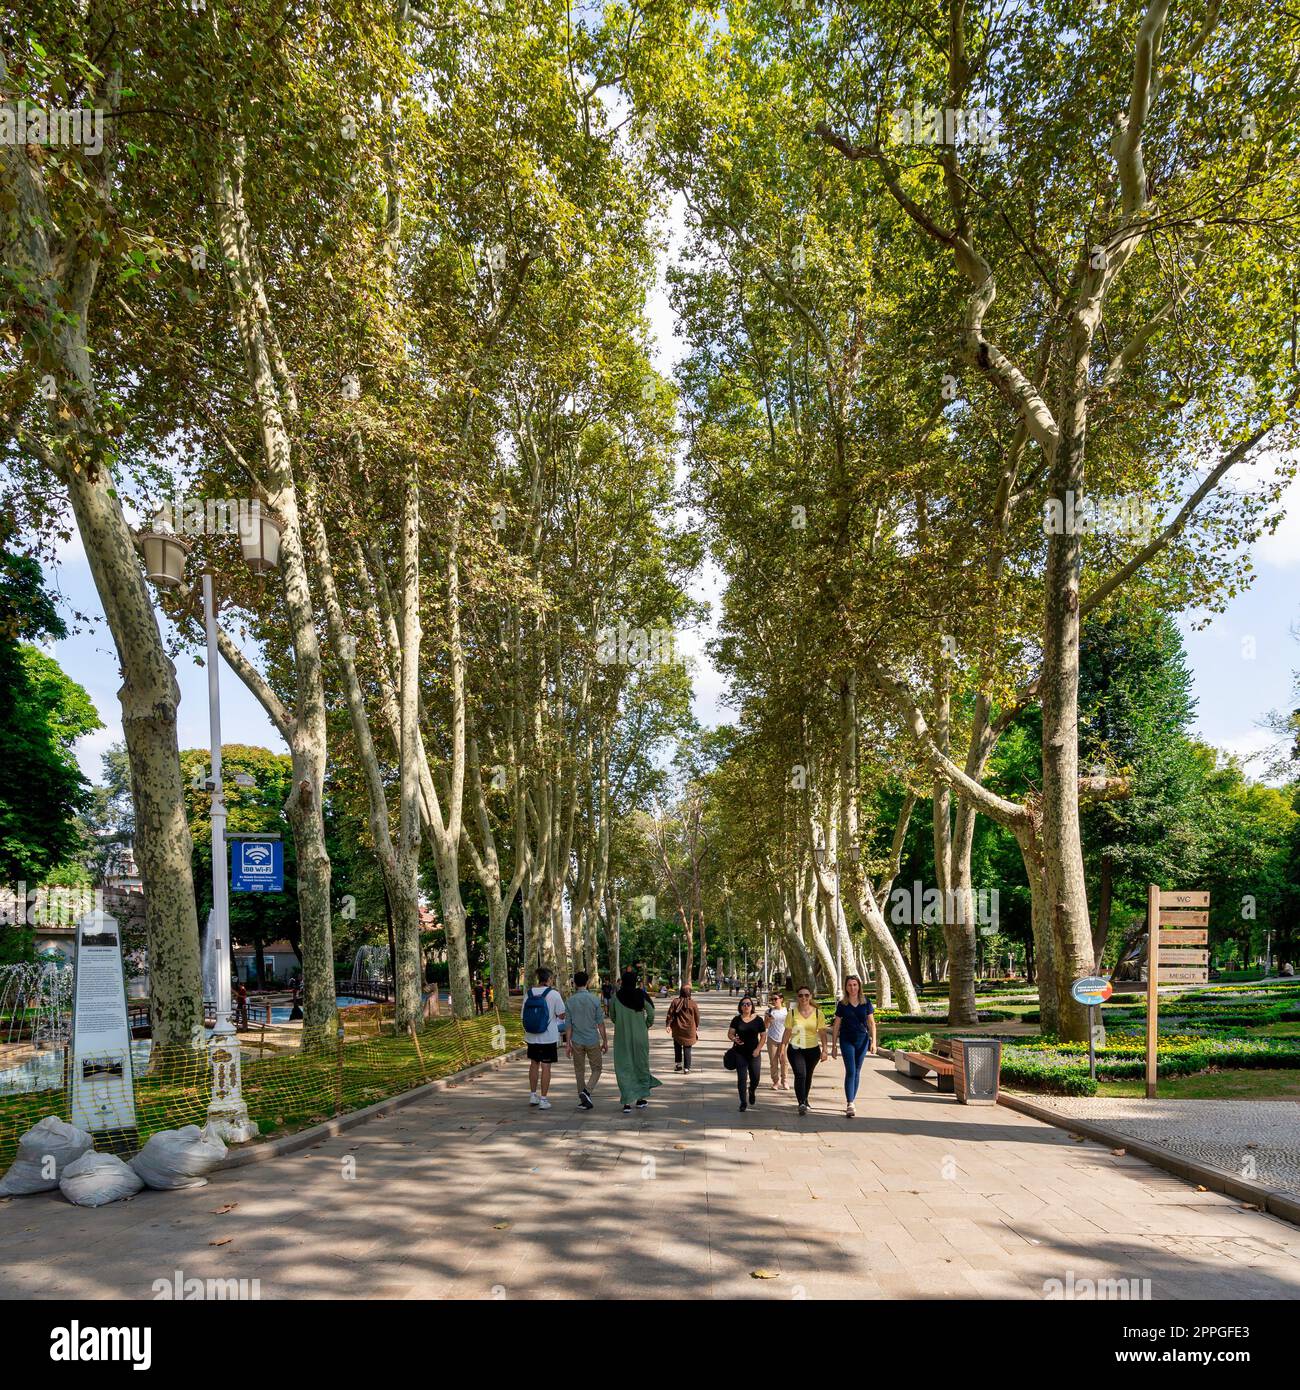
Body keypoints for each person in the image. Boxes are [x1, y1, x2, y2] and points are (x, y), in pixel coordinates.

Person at [609, 968, 661, 1113]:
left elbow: (612, 1016)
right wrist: (646, 1025)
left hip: (622, 1037)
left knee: (624, 1067)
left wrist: (621, 1024)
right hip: (640, 1036)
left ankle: (626, 1102)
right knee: (641, 1065)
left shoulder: (616, 997)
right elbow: (651, 1012)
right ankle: (641, 1099)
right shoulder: (641, 995)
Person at [830, 974, 876, 1118]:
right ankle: (850, 1103)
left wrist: (874, 1042)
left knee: (857, 1070)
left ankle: (852, 1100)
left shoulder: (866, 1002)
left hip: (862, 1040)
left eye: (855, 985)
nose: (853, 987)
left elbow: (871, 1023)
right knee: (850, 1070)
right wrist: (834, 1046)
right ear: (846, 987)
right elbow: (836, 1024)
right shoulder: (842, 1004)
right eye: (850, 985)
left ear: (859, 986)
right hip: (846, 1040)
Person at [522, 967, 566, 1110]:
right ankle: (544, 1099)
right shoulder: (554, 994)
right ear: (549, 979)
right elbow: (561, 1015)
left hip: (532, 1036)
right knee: (546, 1066)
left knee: (534, 1064)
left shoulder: (528, 994)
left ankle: (532, 1095)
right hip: (548, 1037)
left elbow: (523, 1016)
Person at [563, 971, 608, 1109]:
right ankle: (587, 1091)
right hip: (592, 1039)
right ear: (587, 982)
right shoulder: (594, 999)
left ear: (574, 983)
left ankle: (583, 1098)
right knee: (597, 1068)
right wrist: (605, 1040)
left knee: (579, 1070)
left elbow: (568, 1025)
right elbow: (600, 1023)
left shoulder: (570, 1001)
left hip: (577, 1040)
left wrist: (568, 1044)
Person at [786, 986, 828, 1116]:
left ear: (810, 996)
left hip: (813, 1050)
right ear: (797, 997)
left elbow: (822, 1033)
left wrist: (825, 1050)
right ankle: (801, 1103)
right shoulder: (792, 1013)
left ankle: (805, 1098)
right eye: (800, 995)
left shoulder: (818, 1013)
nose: (803, 998)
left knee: (808, 1075)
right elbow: (787, 1032)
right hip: (795, 1048)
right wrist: (781, 1049)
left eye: (806, 995)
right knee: (801, 1074)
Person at [727, 995, 766, 1112]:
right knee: (742, 1078)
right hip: (740, 1053)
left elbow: (763, 1036)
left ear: (752, 1006)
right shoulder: (736, 1019)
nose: (746, 1006)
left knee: (755, 1078)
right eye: (743, 1004)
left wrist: (758, 1049)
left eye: (748, 1004)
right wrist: (734, 1039)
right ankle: (743, 1102)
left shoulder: (758, 1020)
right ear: (740, 1007)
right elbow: (730, 1033)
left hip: (754, 1053)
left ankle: (752, 1090)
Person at [665, 983, 701, 1072]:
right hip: (690, 1029)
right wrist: (696, 1025)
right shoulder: (693, 1003)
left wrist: (668, 1025)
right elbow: (697, 1016)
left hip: (677, 1029)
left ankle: (678, 1065)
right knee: (687, 1048)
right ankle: (686, 1068)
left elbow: (670, 1014)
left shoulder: (675, 1001)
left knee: (677, 1047)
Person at [764, 992, 789, 1091]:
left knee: (784, 1061)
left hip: (784, 1039)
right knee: (773, 1062)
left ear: (781, 999)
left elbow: (791, 1026)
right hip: (772, 1039)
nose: (774, 1001)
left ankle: (785, 1080)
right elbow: (765, 1026)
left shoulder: (787, 1011)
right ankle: (775, 1081)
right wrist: (768, 1020)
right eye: (772, 999)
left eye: (776, 999)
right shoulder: (769, 1011)